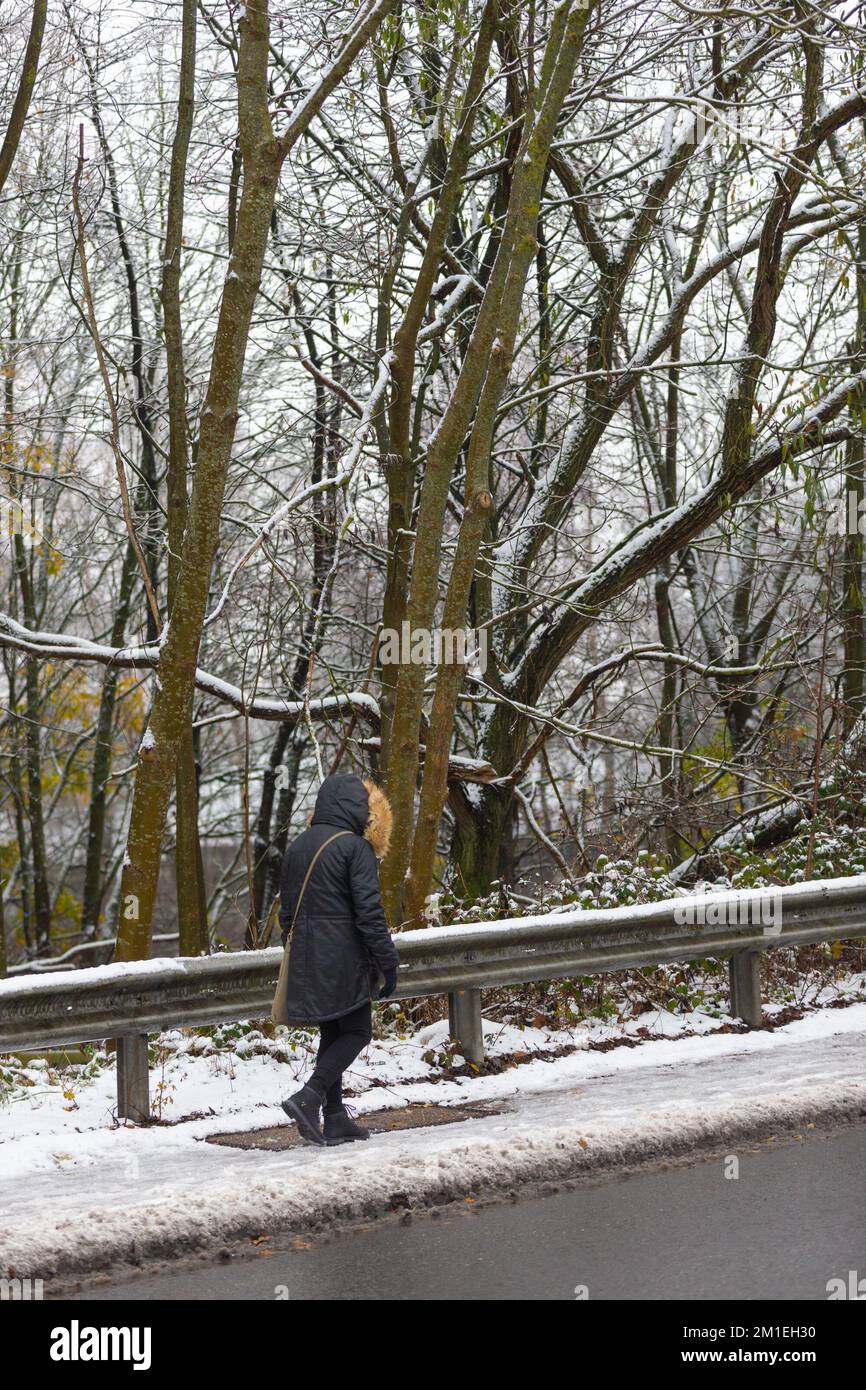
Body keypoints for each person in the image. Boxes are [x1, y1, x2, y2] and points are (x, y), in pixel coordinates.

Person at [279, 773, 399, 1146]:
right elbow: (369, 911)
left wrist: (297, 951)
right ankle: (309, 1095)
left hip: (305, 953)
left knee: (332, 1031)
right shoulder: (354, 848)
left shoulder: (298, 846)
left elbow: (286, 913)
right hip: (345, 955)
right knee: (358, 1031)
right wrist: (387, 960)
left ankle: (334, 1117)